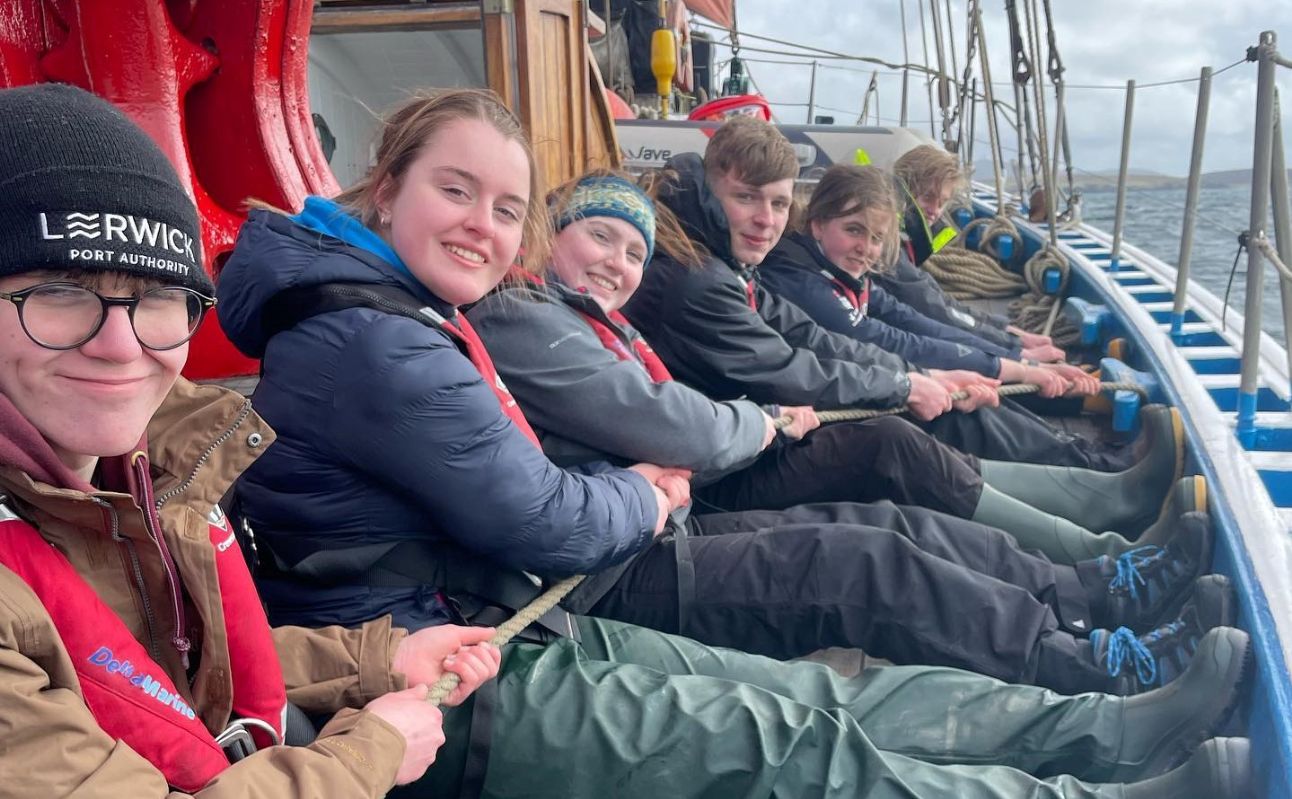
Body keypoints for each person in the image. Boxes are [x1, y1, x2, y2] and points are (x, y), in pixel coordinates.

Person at [214, 88, 1254, 797]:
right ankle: (1102, 674)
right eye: (455, 191)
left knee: (834, 645)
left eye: (504, 207)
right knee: (801, 721)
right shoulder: (392, 335)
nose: (482, 225)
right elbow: (541, 505)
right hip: (457, 673)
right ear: (385, 185)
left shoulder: (410, 311)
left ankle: (1104, 692)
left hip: (503, 613)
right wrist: (653, 490)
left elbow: (781, 365)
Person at [466, 170, 1231, 691]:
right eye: (599, 239)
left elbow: (851, 340)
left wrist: (976, 365)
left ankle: (1088, 592)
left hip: (664, 514)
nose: (619, 263)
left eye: (633, 249)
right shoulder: (534, 318)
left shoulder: (582, 313)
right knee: (865, 554)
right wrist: (756, 423)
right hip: (620, 559)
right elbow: (686, 419)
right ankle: (1091, 659)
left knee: (886, 524)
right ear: (547, 237)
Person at [0, 83, 501, 797]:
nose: (121, 344)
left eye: (156, 296)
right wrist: (373, 751)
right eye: (56, 289)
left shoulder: (131, 474)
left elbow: (162, 661)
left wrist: (378, 659)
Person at [619, 117, 1190, 557]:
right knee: (891, 444)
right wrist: (906, 383)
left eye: (777, 202)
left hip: (746, 431)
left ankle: (1100, 494)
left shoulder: (719, 261)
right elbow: (791, 367)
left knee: (910, 420)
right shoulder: (697, 279)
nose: (766, 219)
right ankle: (1096, 541)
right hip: (707, 479)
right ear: (712, 193)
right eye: (746, 198)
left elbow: (813, 336)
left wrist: (922, 378)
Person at [760, 163, 1089, 393]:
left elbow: (913, 318)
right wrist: (1012, 359)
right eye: (853, 230)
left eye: (876, 237)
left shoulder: (837, 265)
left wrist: (1011, 352)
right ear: (817, 224)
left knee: (986, 385)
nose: (865, 248)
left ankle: (1082, 398)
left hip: (871, 376)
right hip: (834, 394)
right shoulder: (803, 282)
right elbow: (896, 335)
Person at [889, 143, 1058, 357]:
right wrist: (1016, 352)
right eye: (927, 198)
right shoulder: (889, 249)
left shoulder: (902, 241)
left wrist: (1008, 332)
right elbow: (935, 312)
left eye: (942, 202)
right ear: (902, 193)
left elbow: (939, 302)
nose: (935, 211)